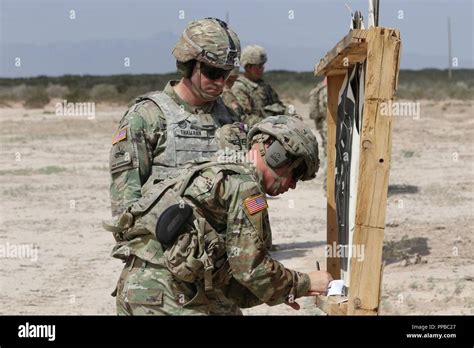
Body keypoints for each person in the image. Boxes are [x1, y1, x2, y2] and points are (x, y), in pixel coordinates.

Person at [107, 115, 333, 315]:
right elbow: (251, 269)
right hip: (166, 297)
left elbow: (231, 280)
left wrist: (286, 291)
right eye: (298, 173)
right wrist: (305, 282)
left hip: (137, 292)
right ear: (278, 154)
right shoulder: (245, 186)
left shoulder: (218, 169)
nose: (293, 185)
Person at [109, 17, 241, 217]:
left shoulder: (229, 119)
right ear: (188, 65)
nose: (221, 82)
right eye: (213, 72)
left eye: (226, 74)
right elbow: (125, 208)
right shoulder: (147, 117)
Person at [231, 45, 290, 126]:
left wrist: (291, 115)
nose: (263, 68)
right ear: (248, 67)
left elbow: (279, 106)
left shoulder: (265, 87)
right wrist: (269, 123)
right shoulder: (239, 88)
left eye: (262, 65)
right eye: (259, 66)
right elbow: (242, 117)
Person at [309, 78, 328, 191]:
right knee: (333, 156)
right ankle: (329, 186)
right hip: (331, 127)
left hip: (324, 128)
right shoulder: (327, 88)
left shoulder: (317, 90)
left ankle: (328, 186)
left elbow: (313, 114)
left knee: (328, 155)